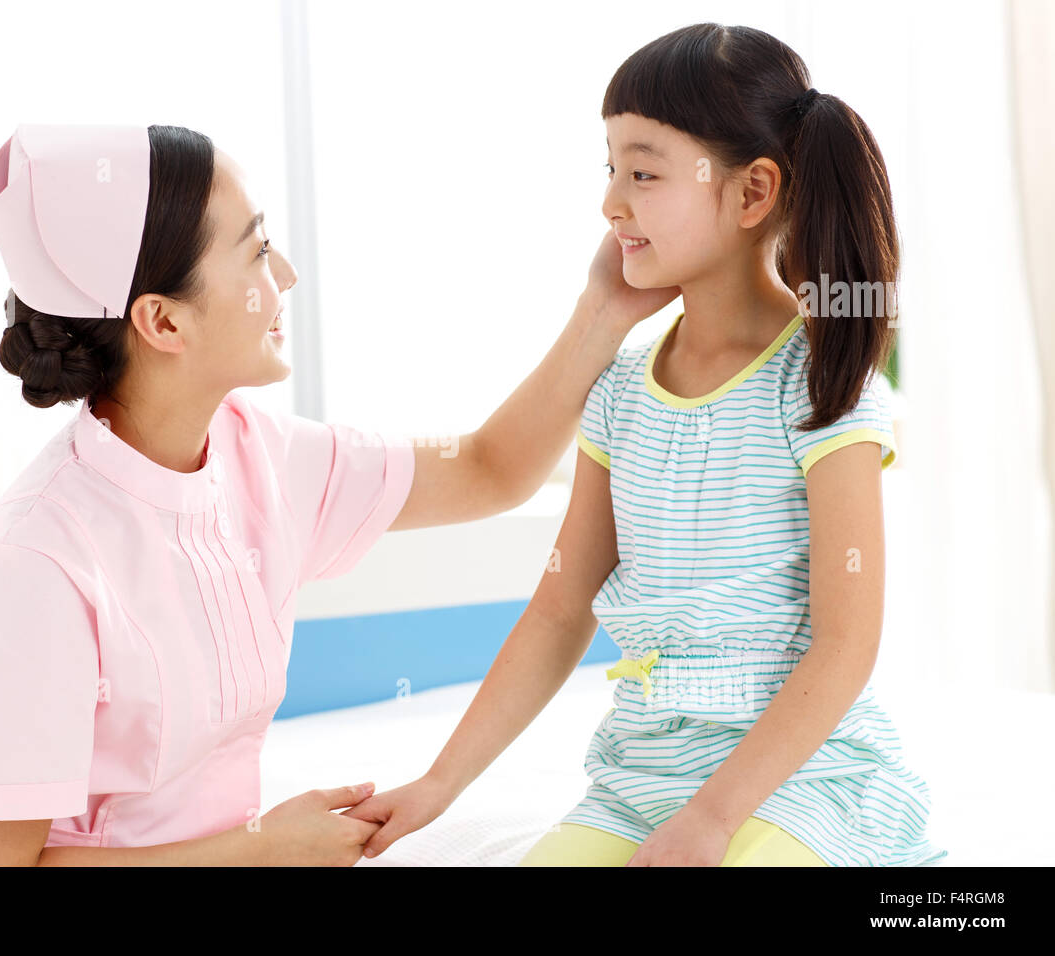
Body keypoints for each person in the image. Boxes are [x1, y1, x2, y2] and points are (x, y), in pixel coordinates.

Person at [0, 123, 677, 865]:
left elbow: (486, 468)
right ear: (163, 321)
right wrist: (255, 854)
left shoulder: (255, 452)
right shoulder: (31, 567)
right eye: (257, 250)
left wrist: (605, 308)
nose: (285, 277)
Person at [344, 23, 948, 867]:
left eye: (644, 172)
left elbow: (847, 642)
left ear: (751, 194)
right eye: (610, 169)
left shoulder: (821, 382)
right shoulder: (623, 390)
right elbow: (559, 610)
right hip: (643, 780)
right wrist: (439, 785)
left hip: (801, 782)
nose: (610, 203)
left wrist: (712, 820)